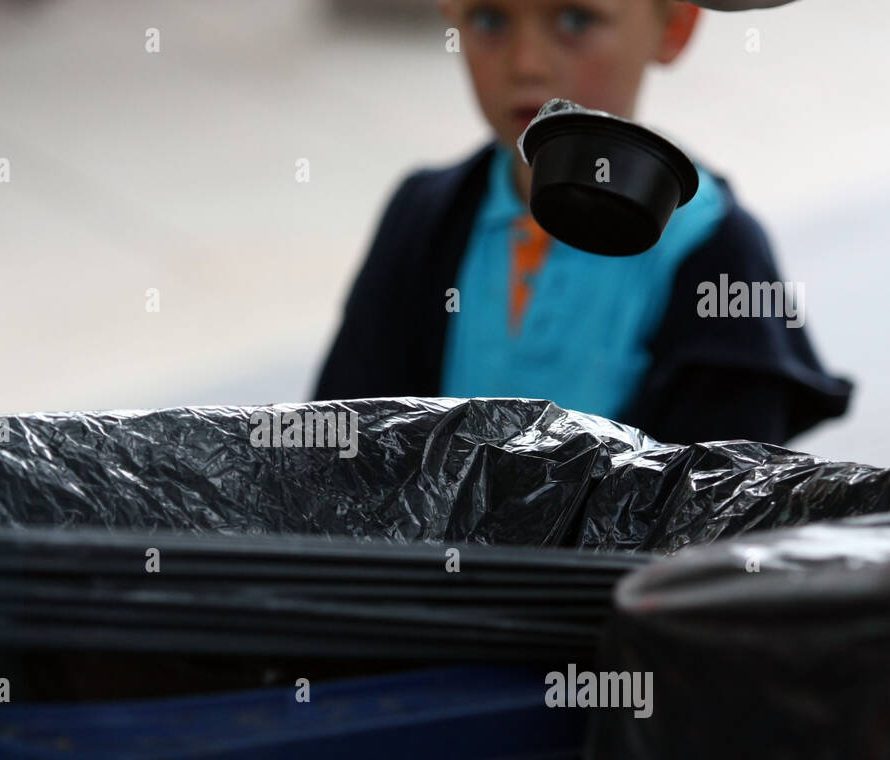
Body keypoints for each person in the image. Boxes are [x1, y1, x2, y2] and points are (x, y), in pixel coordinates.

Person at [313, 0, 849, 446]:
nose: (527, 63)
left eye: (575, 20)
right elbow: (339, 450)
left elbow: (716, 527)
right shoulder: (424, 218)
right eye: (490, 20)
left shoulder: (719, 253)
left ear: (675, 25)